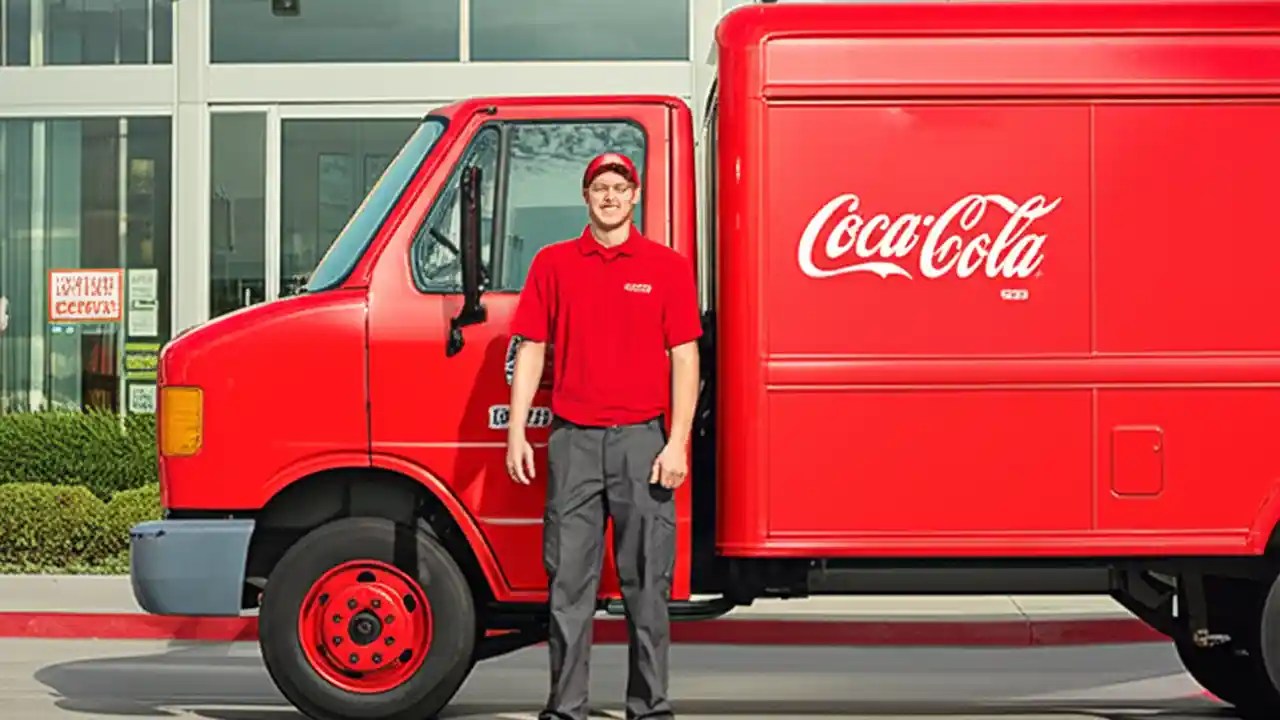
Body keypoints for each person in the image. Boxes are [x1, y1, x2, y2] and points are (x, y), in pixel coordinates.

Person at [505, 151, 702, 720]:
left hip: (643, 443)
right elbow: (533, 349)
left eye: (620, 187)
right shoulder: (553, 264)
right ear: (586, 197)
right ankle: (566, 708)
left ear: (635, 196)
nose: (610, 196)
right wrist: (518, 431)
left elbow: (684, 357)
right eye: (600, 188)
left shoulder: (667, 267)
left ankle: (650, 707)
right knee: (568, 587)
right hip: (574, 443)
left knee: (647, 587)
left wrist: (677, 442)